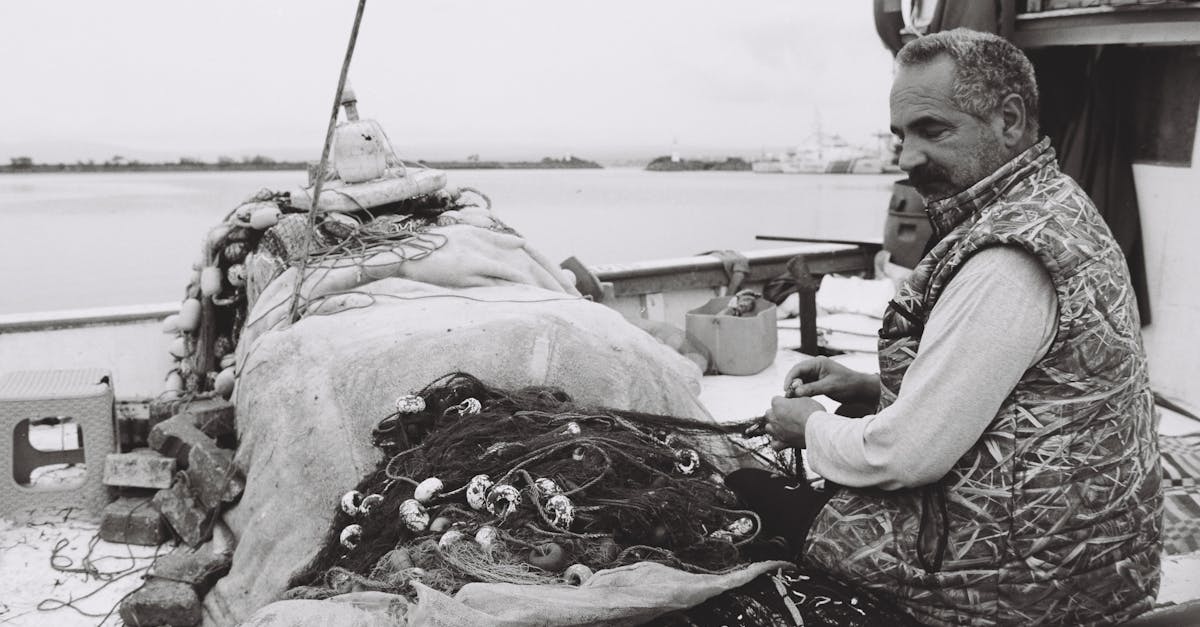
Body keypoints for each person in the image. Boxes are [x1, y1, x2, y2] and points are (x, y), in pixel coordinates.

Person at [757, 28, 1163, 626]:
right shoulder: (1056, 204)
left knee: (750, 492)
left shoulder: (1007, 260)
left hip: (1020, 590)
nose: (907, 159)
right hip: (1094, 563)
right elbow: (1027, 398)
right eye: (900, 136)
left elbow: (905, 456)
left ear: (1010, 120)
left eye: (933, 130)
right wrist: (867, 388)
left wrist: (811, 428)